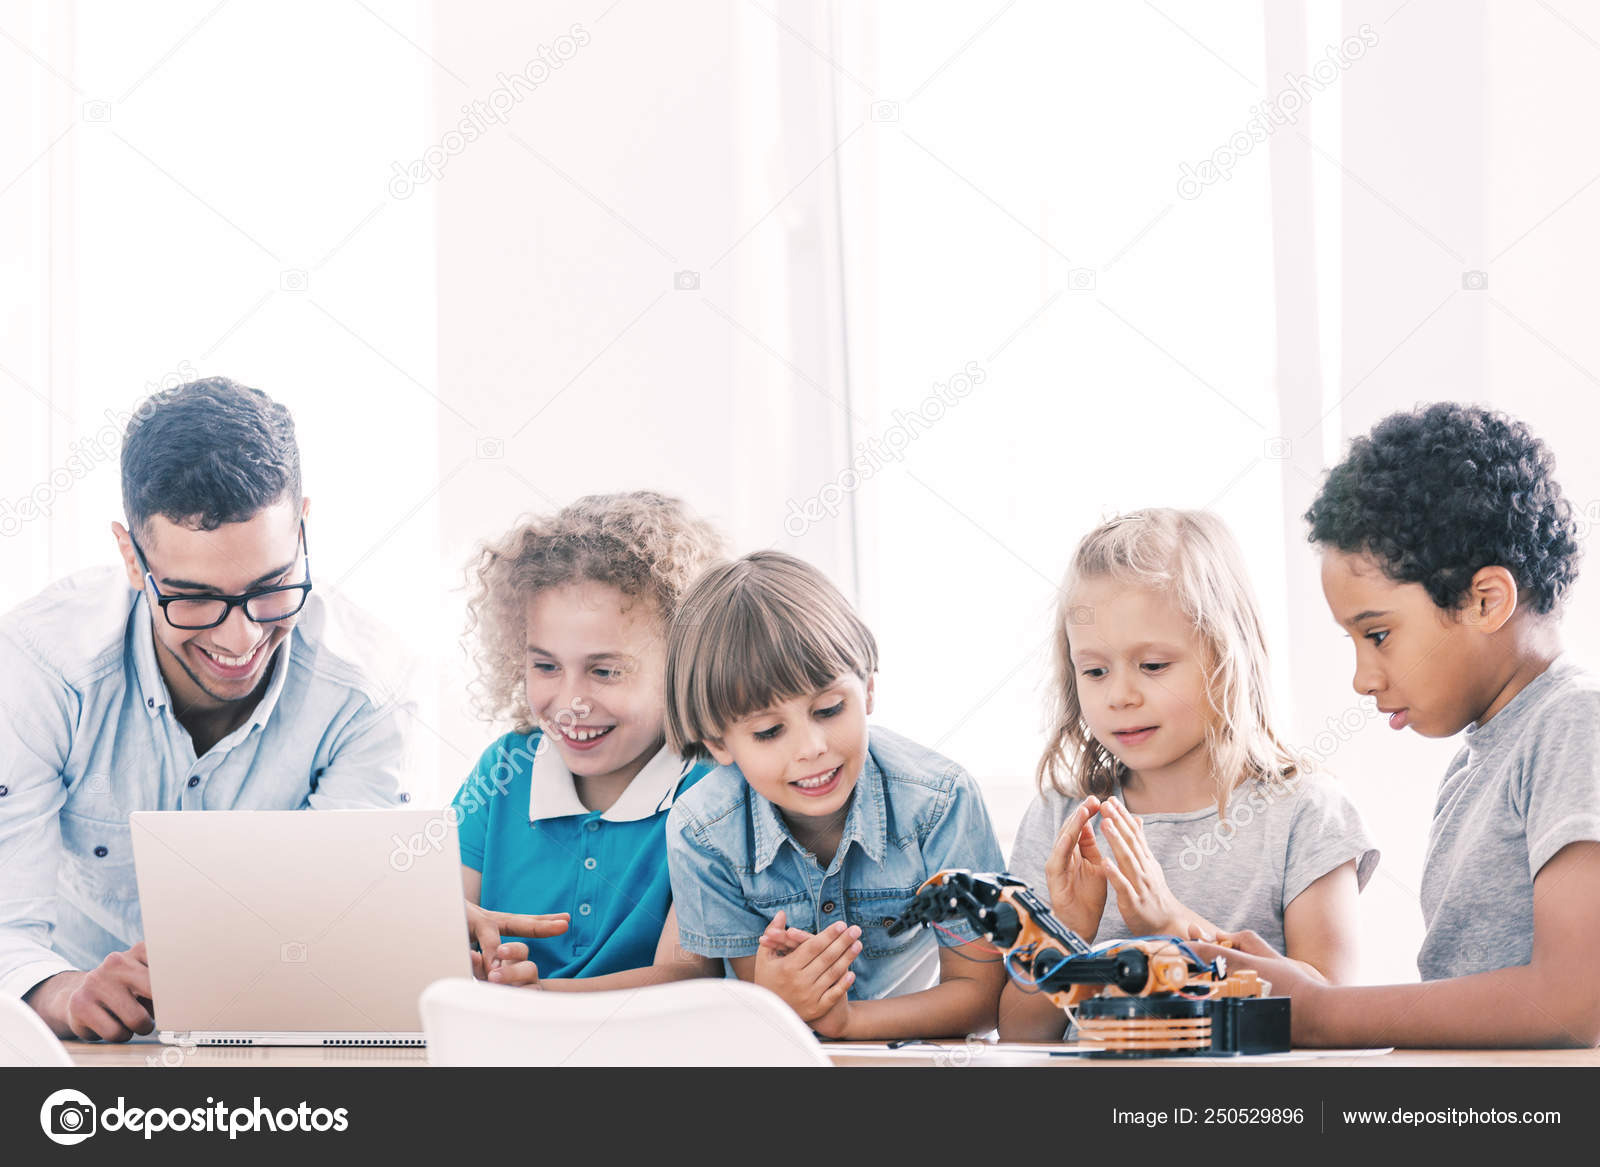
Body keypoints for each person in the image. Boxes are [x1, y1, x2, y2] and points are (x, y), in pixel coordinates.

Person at [1, 376, 413, 1042]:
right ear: (132, 557)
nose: (240, 637)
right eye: (194, 597)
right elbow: (4, 925)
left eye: (272, 587)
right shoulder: (39, 669)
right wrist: (59, 990)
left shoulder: (369, 691)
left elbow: (343, 930)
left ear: (303, 527)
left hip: (280, 1043)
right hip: (77, 1049)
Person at [1193, 403, 1600, 1047]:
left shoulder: (1576, 723)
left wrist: (1321, 1011)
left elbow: (1575, 1000)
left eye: (1377, 634)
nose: (1363, 677)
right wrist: (1299, 986)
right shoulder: (1478, 762)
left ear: (1484, 599)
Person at [1002, 508, 1376, 1040]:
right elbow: (1019, 1037)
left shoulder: (1305, 813)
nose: (1120, 695)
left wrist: (1172, 928)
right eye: (1095, 670)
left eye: (1153, 666)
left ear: (1228, 659)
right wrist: (1064, 941)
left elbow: (1333, 1013)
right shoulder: (1059, 819)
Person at [663, 550, 1007, 1040]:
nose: (812, 749)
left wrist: (846, 1022)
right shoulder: (703, 829)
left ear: (867, 689)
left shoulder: (938, 802)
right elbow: (755, 1004)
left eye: (828, 709)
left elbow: (982, 995)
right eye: (768, 732)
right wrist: (774, 993)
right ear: (718, 741)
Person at [451, 492, 729, 989]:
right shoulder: (505, 769)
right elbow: (434, 915)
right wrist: (450, 932)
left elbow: (685, 975)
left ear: (683, 663)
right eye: (546, 666)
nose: (569, 703)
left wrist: (531, 999)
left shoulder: (715, 791)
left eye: (604, 671)